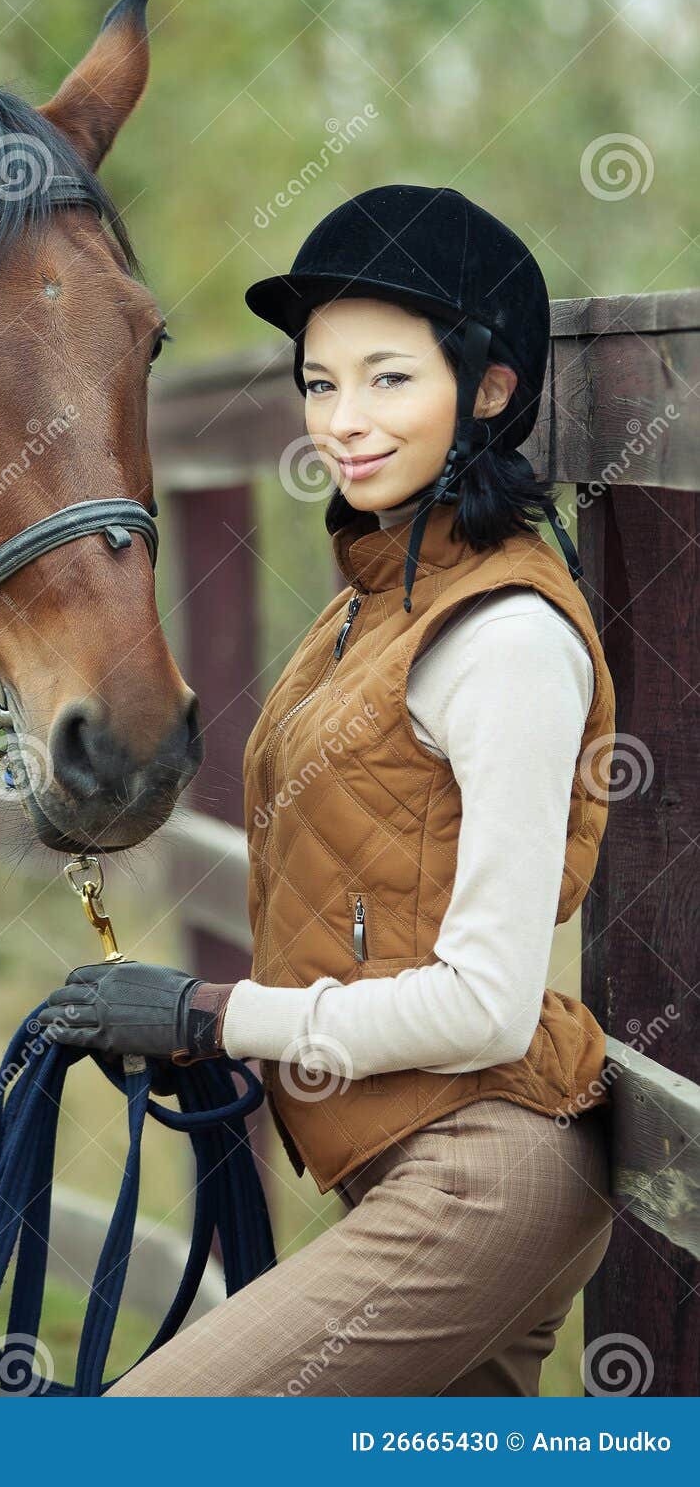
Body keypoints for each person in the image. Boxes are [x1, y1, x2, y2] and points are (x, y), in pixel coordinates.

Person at [40, 184, 618, 1397]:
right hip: (398, 1162)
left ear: (489, 388)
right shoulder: (371, 602)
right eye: (318, 382)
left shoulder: (505, 636)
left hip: (480, 1173)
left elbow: (486, 1006)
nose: (342, 421)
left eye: (387, 378)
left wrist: (208, 1015)